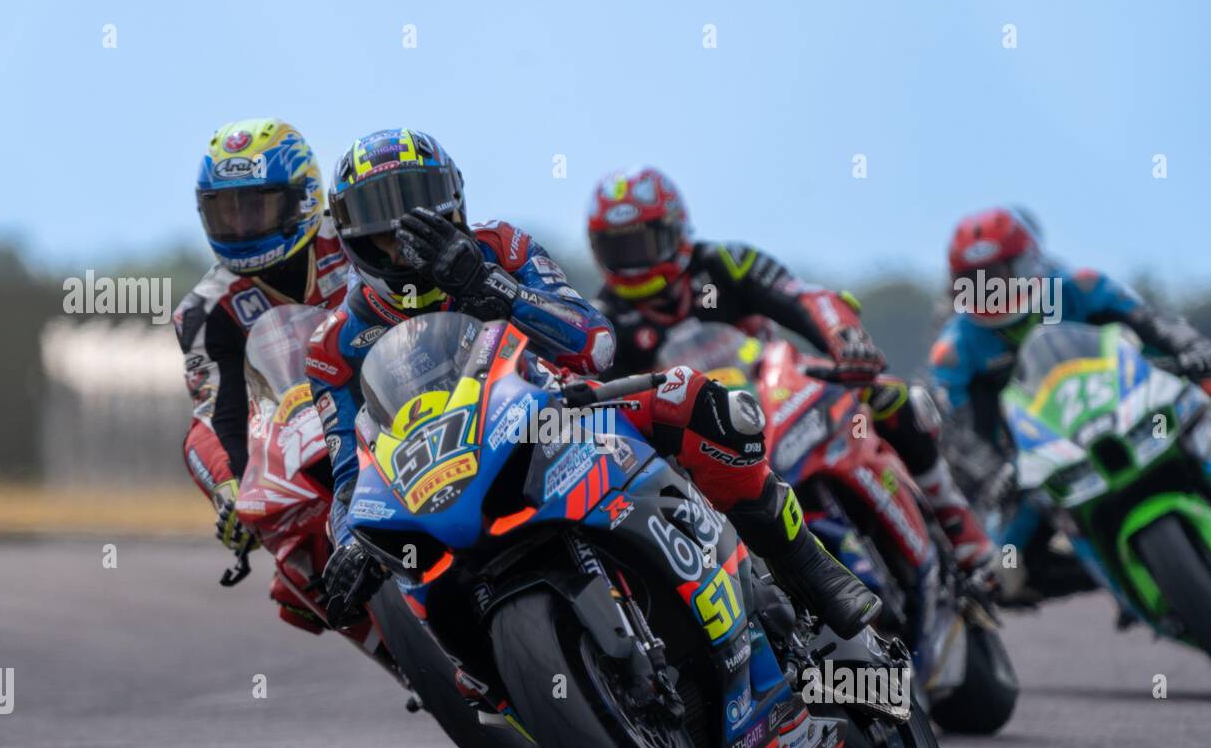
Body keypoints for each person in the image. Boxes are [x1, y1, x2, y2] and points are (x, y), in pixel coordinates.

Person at [307, 131, 880, 640]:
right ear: (351, 228)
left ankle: (808, 565)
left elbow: (594, 344)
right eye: (381, 216)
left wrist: (489, 286)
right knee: (391, 583)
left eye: (419, 207)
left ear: (452, 200)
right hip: (438, 479)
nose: (405, 231)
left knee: (705, 405)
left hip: (554, 417)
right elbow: (348, 479)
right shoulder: (333, 347)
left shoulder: (502, 248)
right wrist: (351, 540)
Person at [587, 166, 993, 575]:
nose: (633, 262)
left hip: (779, 385)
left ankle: (957, 522)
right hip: (700, 437)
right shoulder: (604, 320)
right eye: (618, 249)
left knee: (893, 396)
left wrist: (844, 337)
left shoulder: (725, 263)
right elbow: (605, 398)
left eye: (642, 243)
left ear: (675, 231)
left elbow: (803, 298)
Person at [930, 205, 1211, 602]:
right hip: (1035, 458)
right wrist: (994, 471)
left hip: (1129, 406)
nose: (987, 290)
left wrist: (1192, 348)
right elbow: (960, 430)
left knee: (1202, 396)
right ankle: (1108, 575)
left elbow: (1154, 322)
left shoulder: (1080, 286)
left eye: (996, 276)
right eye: (972, 281)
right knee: (998, 569)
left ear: (1028, 264)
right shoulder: (953, 351)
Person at [172, 118, 354, 631]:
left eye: (257, 205)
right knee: (295, 580)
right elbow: (212, 413)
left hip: (402, 401)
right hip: (306, 436)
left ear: (303, 199)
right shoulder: (205, 309)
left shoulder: (356, 236)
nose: (242, 224)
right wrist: (229, 491)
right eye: (225, 210)